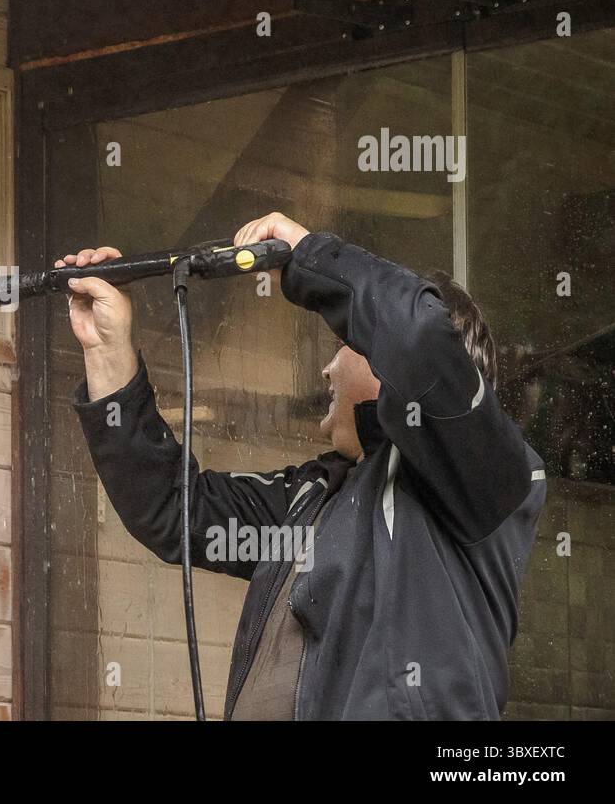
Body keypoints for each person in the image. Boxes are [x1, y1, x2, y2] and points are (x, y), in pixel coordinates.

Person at [62, 212, 547, 720]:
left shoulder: (484, 472)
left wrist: (309, 257)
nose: (327, 367)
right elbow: (175, 509)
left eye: (343, 345)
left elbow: (418, 338)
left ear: (388, 366)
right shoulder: (315, 498)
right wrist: (107, 351)